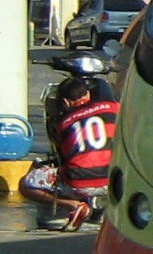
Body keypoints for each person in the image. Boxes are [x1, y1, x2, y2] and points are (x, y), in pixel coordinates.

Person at [20, 76, 119, 232]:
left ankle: (74, 205)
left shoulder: (65, 123)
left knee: (26, 183)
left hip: (79, 183)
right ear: (87, 95)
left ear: (65, 102)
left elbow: (65, 158)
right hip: (113, 180)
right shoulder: (114, 108)